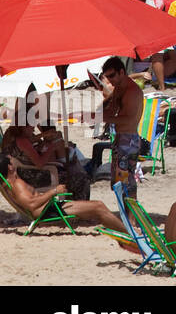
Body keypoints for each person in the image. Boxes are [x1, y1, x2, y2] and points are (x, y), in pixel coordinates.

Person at [0, 153, 126, 232]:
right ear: (10, 167)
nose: (14, 160)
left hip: (49, 207)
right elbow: (31, 205)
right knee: (98, 207)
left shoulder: (10, 183)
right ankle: (129, 233)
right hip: (48, 211)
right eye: (12, 160)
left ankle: (124, 230)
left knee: (96, 207)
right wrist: (54, 191)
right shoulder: (17, 185)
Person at [99, 57, 143, 199]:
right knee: (118, 182)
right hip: (121, 138)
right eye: (107, 77)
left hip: (129, 139)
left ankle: (132, 218)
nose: (109, 80)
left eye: (112, 76)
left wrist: (102, 118)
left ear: (122, 72)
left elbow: (128, 119)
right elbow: (111, 111)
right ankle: (127, 216)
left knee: (126, 182)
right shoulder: (119, 88)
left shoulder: (132, 92)